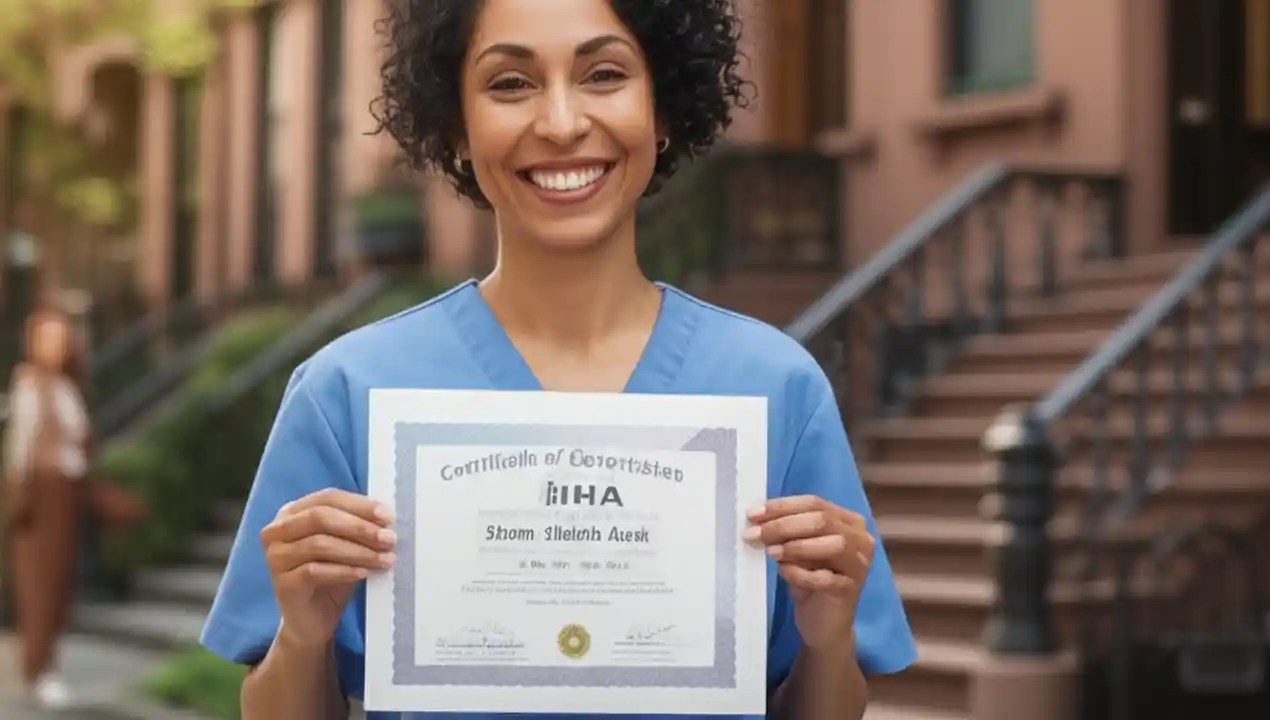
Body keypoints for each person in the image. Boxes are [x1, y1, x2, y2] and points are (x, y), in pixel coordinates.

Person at [200, 0, 917, 718]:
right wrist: (303, 634)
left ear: (662, 108)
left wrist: (827, 639)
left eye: (604, 74)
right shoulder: (348, 393)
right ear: (455, 127)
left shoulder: (776, 387)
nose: (563, 122)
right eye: (510, 84)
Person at [2, 307, 92, 710]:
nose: (55, 346)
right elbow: (20, 444)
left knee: (57, 583)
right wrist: (17, 496)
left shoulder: (67, 386)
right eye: (47, 337)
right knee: (37, 585)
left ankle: (42, 664)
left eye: (61, 337)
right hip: (40, 493)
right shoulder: (28, 383)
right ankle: (38, 670)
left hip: (67, 494)